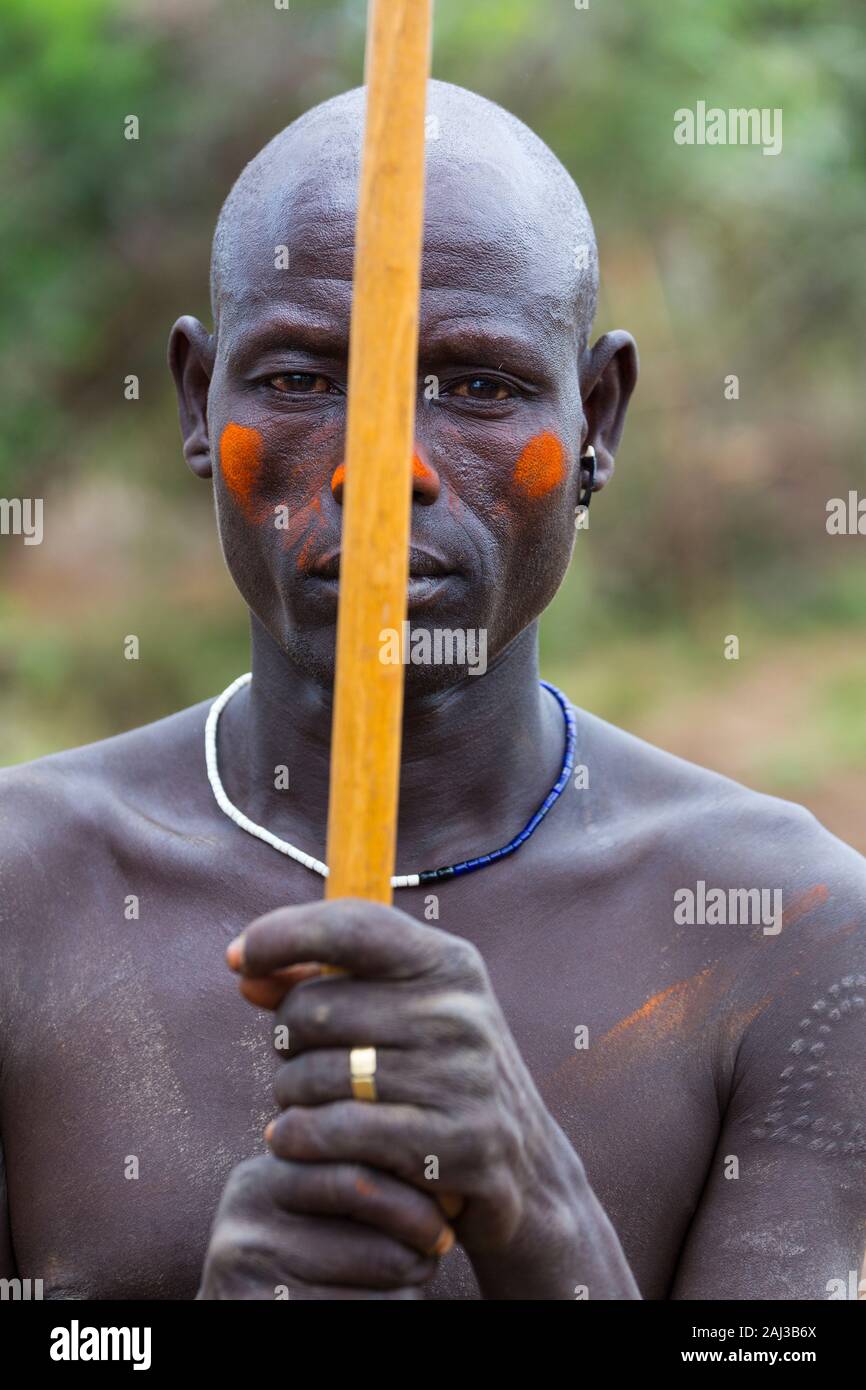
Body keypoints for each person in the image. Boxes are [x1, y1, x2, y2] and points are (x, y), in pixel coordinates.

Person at [2, 81, 864, 1301]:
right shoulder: (20, 891)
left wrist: (540, 1219)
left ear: (597, 418)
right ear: (199, 402)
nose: (381, 469)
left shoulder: (793, 932)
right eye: (301, 379)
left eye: (476, 388)